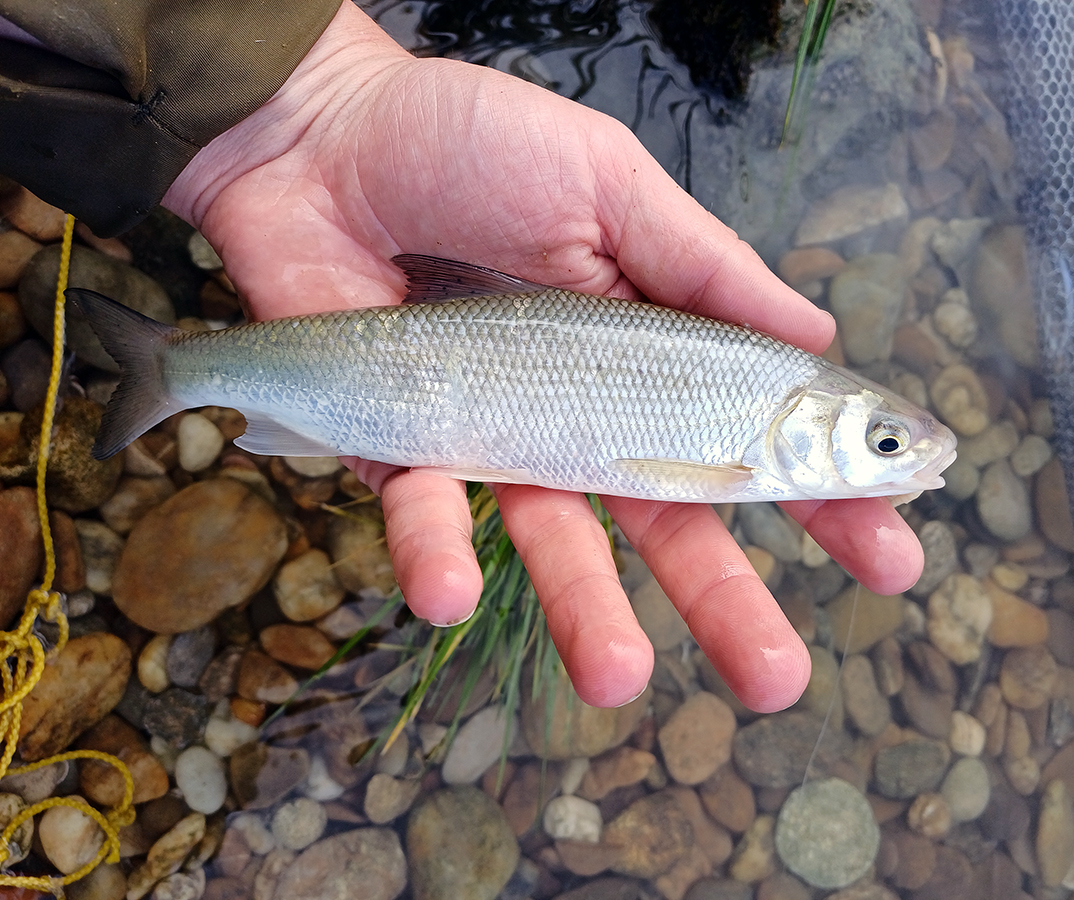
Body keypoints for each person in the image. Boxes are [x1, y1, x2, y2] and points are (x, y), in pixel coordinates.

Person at [0, 0, 925, 712]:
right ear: (817, 417)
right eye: (887, 443)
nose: (899, 455)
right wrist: (311, 101)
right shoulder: (749, 429)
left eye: (887, 446)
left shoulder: (765, 393)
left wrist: (307, 89)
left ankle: (177, 368)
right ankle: (172, 369)